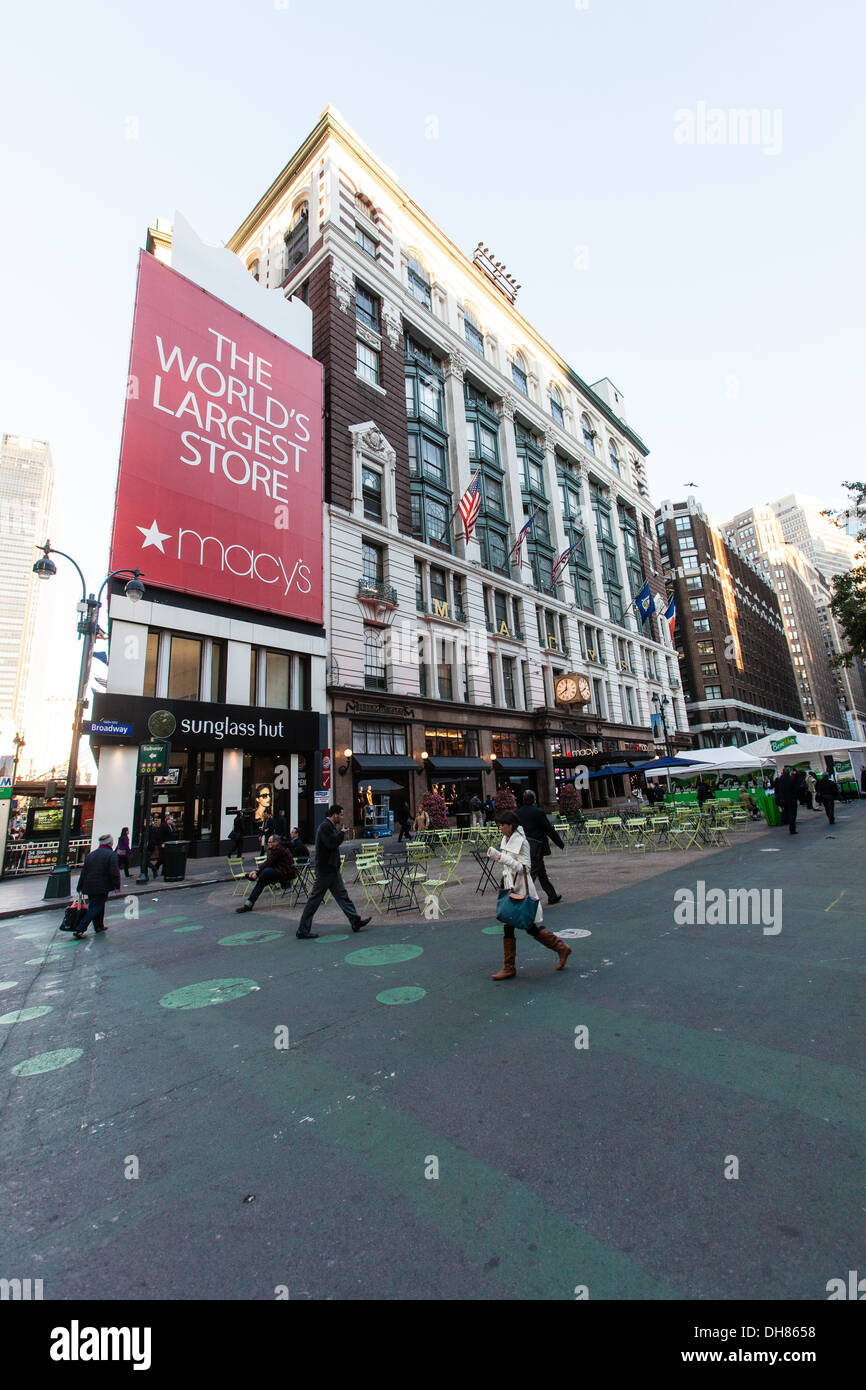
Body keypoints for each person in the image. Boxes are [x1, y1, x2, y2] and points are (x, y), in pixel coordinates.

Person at [486, 812, 571, 979]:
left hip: (520, 888)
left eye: (503, 824)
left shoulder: (522, 842)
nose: (500, 827)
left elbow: (525, 868)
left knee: (528, 926)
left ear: (511, 825)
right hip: (510, 885)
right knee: (510, 923)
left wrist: (501, 857)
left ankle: (560, 948)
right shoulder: (507, 839)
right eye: (500, 824)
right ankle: (510, 966)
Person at [295, 805, 371, 940]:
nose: (342, 817)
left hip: (331, 868)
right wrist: (341, 833)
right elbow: (331, 843)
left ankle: (355, 920)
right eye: (341, 815)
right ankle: (302, 929)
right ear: (334, 815)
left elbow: (332, 843)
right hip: (325, 869)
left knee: (342, 895)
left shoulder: (328, 827)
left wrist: (340, 833)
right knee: (315, 899)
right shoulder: (325, 827)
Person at [515, 789, 564, 906]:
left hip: (523, 846)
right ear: (534, 800)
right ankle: (522, 898)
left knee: (541, 873)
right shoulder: (538, 812)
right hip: (536, 847)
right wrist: (559, 842)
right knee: (532, 874)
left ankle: (552, 896)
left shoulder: (518, 813)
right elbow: (548, 829)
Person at [73, 834, 121, 938]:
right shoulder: (111, 855)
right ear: (110, 843)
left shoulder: (91, 854)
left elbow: (84, 871)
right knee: (95, 907)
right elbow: (114, 872)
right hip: (102, 885)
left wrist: (80, 885)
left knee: (98, 905)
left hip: (89, 885)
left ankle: (99, 926)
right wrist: (117, 885)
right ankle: (80, 929)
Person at [236, 835, 296, 911]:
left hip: (285, 874)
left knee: (266, 871)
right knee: (261, 882)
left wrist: (256, 871)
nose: (268, 844)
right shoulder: (276, 849)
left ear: (276, 842)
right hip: (279, 872)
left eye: (270, 842)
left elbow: (269, 862)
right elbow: (269, 862)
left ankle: (256, 878)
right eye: (268, 842)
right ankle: (248, 904)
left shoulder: (279, 849)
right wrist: (257, 871)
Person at [776, 769, 798, 834]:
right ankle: (792, 828)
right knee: (792, 814)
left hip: (783, 799)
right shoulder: (791, 779)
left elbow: (777, 790)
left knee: (786, 811)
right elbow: (794, 789)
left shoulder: (779, 780)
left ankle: (785, 820)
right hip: (791, 799)